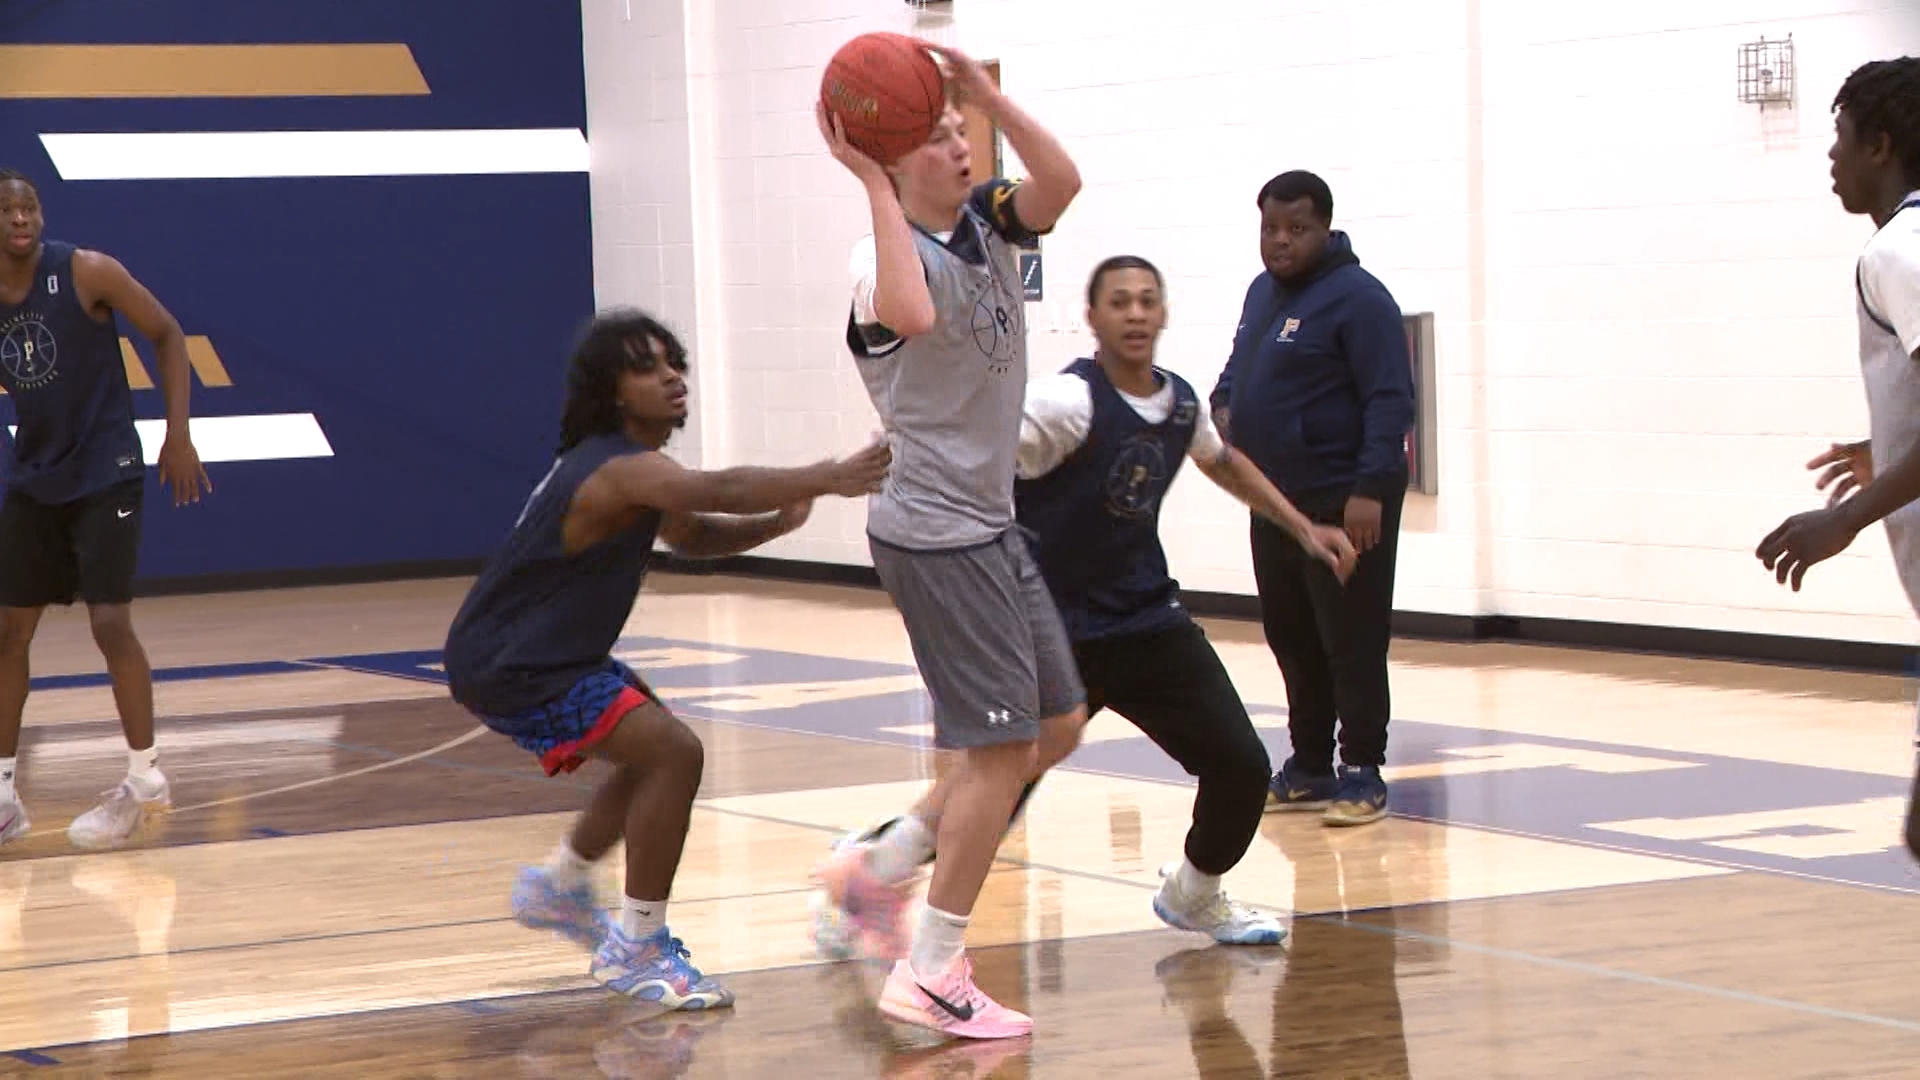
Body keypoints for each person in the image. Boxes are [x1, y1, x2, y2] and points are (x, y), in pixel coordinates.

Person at [441, 309, 890, 1010]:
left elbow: (692, 534)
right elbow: (718, 491)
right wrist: (830, 475)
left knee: (653, 750)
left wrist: (777, 523)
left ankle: (560, 887)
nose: (672, 376)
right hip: (517, 663)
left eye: (673, 362)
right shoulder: (617, 468)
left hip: (538, 655)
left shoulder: (634, 468)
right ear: (614, 390)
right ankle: (637, 946)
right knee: (674, 755)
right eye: (648, 366)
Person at [813, 42, 1085, 1040]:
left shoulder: (991, 223)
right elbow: (913, 311)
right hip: (936, 532)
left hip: (992, 522)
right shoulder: (876, 262)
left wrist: (984, 95)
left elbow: (1063, 182)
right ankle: (932, 967)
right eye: (935, 134)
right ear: (894, 158)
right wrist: (869, 181)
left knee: (1056, 727)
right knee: (1001, 746)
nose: (960, 142)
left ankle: (875, 867)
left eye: (957, 128)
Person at [1016, 256, 1355, 940]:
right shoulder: (1059, 402)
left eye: (1147, 300)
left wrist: (1302, 528)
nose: (1136, 313)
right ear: (1094, 318)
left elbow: (1221, 460)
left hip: (1147, 624)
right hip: (1055, 629)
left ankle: (1195, 893)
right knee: (993, 787)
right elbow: (977, 462)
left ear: (1163, 314)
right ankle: (882, 881)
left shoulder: (1180, 403)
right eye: (1120, 302)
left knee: (1241, 766)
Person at [0, 168, 211, 852]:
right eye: (7, 210)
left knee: (111, 621)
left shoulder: (87, 270)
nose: (20, 218)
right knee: (8, 633)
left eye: (28, 206)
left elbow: (169, 333)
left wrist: (178, 434)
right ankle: (3, 796)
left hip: (105, 474)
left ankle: (145, 783)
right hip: (37, 477)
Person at [1208, 170, 1415, 829]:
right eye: (1270, 228)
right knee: (1291, 635)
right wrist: (1222, 403)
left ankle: (1362, 769)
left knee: (1349, 638)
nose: (1281, 241)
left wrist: (1370, 491)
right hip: (1275, 503)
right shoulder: (1260, 294)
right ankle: (1309, 764)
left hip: (1343, 500)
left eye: (1297, 229)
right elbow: (1238, 368)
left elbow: (1391, 401)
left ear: (1326, 228)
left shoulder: (1360, 299)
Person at [1756, 57, 1920, 863]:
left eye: (1841, 139)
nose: (1831, 156)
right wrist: (1884, 447)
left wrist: (1846, 519)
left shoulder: (1900, 250)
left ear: (1881, 146)